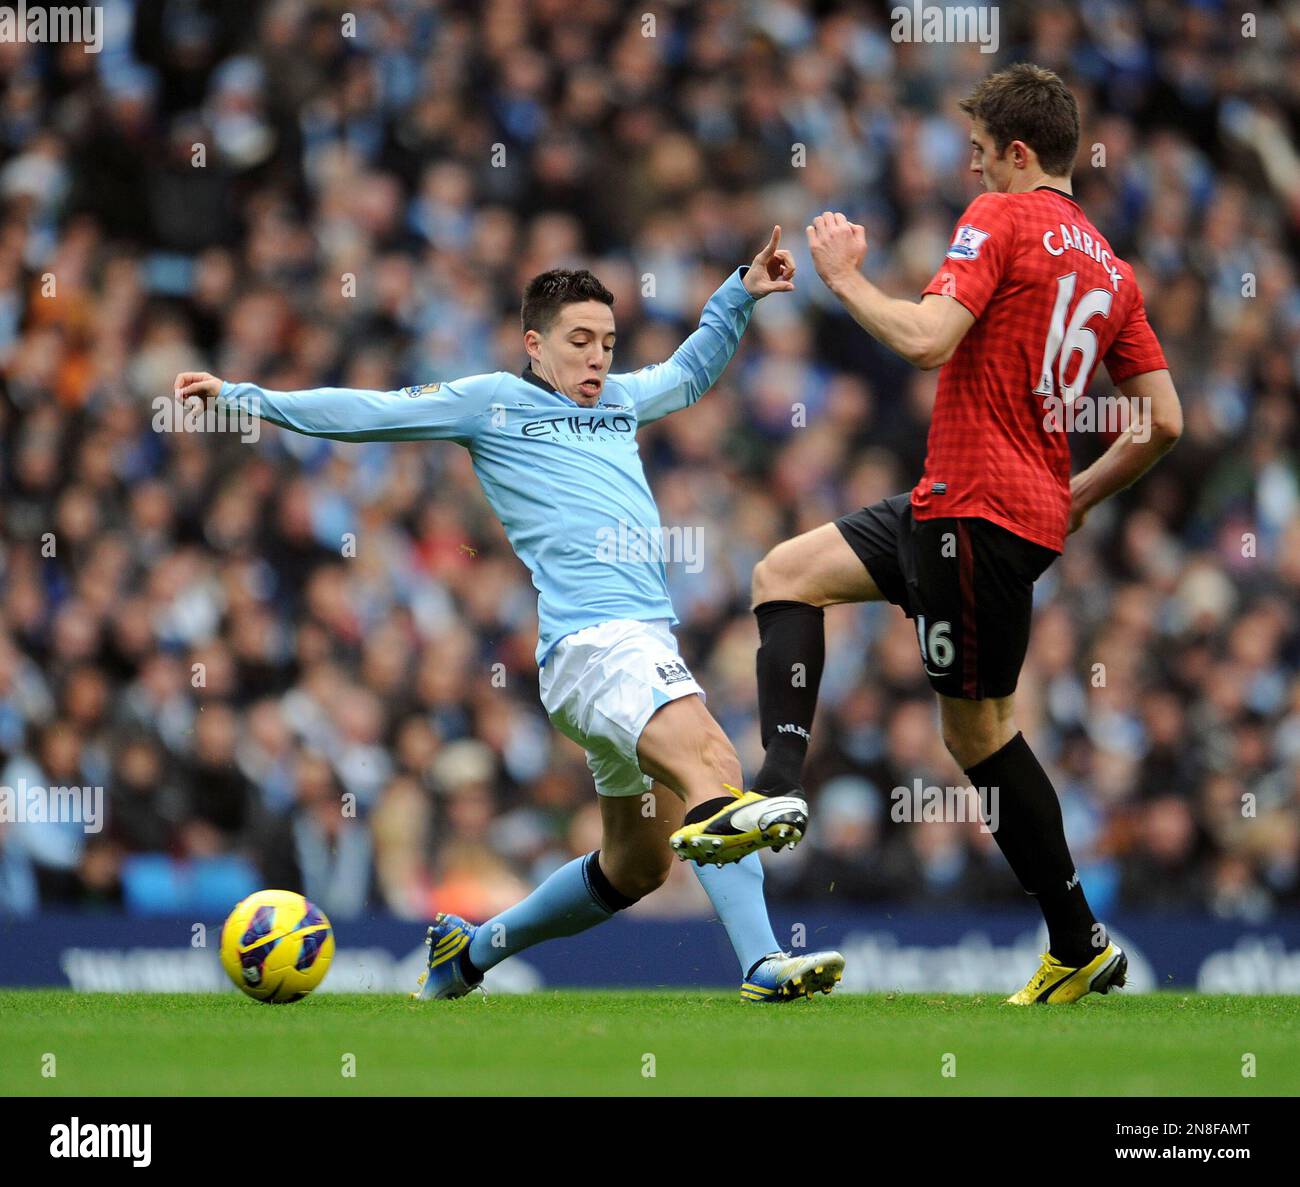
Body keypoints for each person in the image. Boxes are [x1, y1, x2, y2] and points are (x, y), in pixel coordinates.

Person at [174, 228, 844, 1003]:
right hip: (598, 646)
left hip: (627, 652)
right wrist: (242, 397)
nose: (598, 358)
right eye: (580, 341)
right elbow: (368, 410)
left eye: (608, 342)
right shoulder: (492, 403)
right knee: (716, 767)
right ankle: (762, 966)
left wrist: (740, 290)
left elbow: (689, 374)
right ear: (535, 343)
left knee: (638, 866)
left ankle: (470, 950)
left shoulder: (622, 401)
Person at [748, 64, 1183, 1004]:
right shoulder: (1113, 267)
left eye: (981, 153)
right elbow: (1165, 418)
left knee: (981, 737)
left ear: (1020, 153)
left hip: (977, 512)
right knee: (785, 572)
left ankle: (1078, 941)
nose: (973, 171)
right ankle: (776, 781)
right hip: (962, 501)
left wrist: (844, 279)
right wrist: (1079, 497)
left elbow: (926, 338)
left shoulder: (1002, 218)